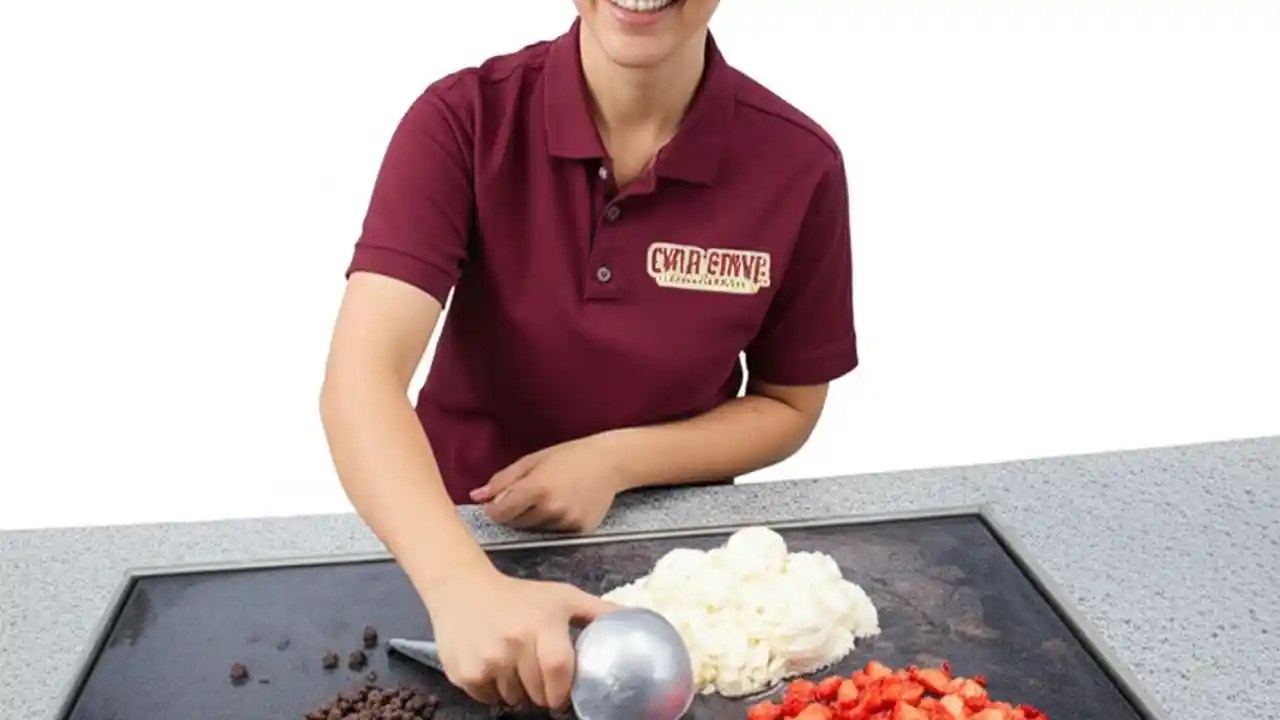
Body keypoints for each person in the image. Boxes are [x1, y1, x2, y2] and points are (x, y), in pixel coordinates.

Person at [320, 0, 857, 711]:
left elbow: (789, 404)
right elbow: (360, 383)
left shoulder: (800, 165)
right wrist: (461, 587)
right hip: (451, 552)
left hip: (683, 579)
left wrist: (614, 461)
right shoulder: (463, 119)